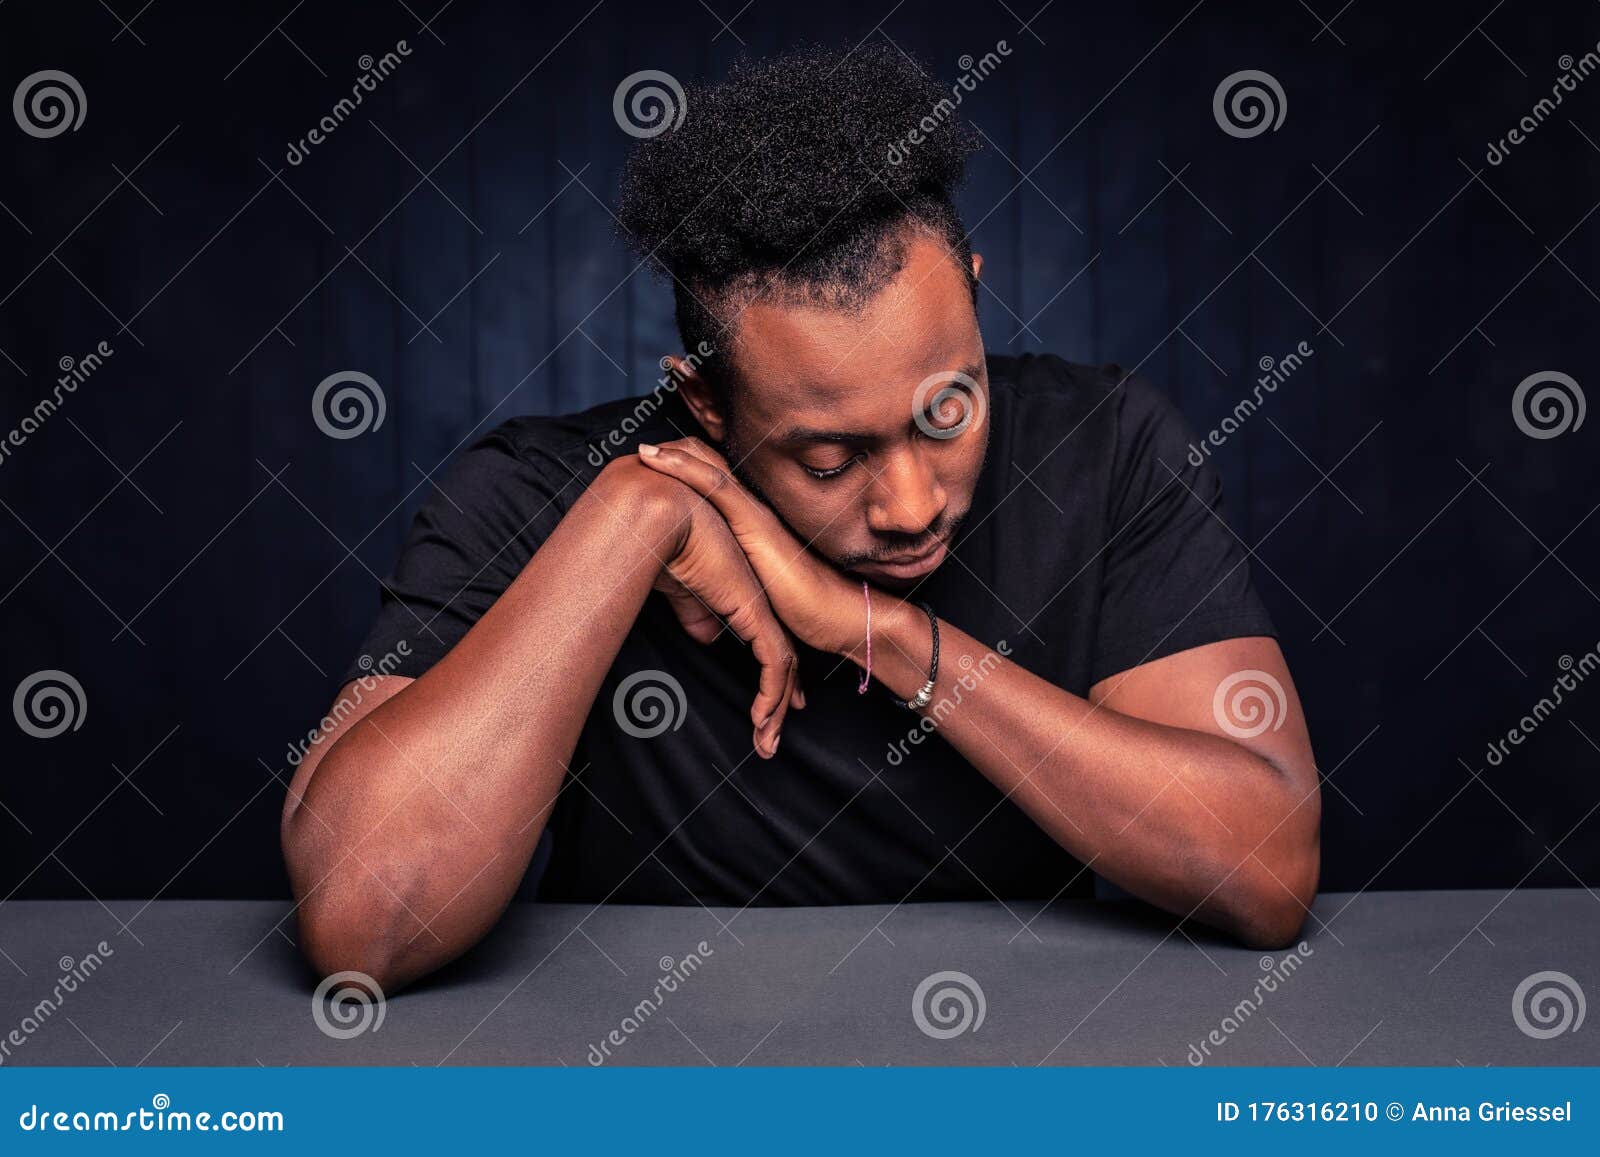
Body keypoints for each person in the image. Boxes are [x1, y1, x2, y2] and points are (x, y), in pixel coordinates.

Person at [281, 45, 1320, 994]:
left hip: (1034, 1057)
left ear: (970, 292)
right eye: (829, 458)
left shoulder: (1105, 447)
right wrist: (638, 513)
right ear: (705, 404)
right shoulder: (534, 495)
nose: (911, 505)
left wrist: (881, 631)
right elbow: (366, 920)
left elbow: (1264, 868)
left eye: (947, 409)